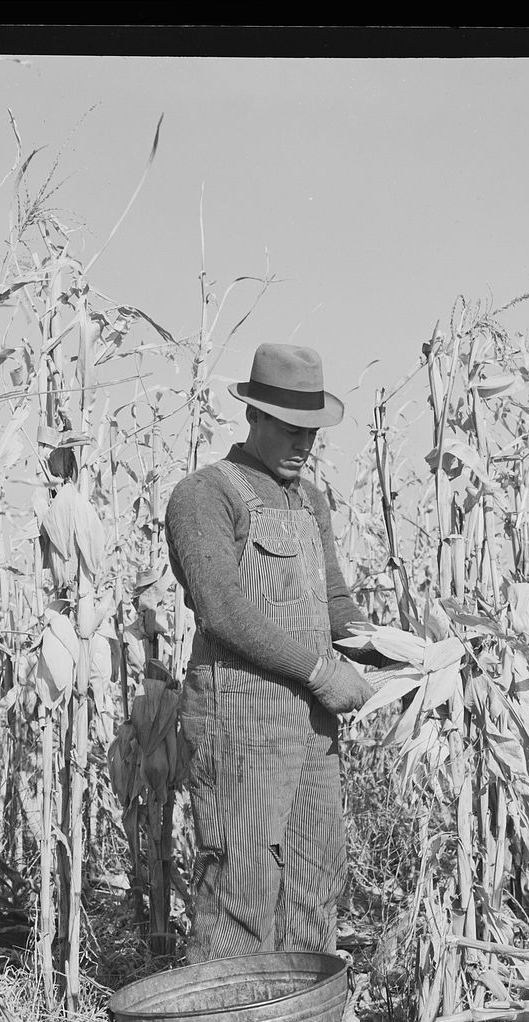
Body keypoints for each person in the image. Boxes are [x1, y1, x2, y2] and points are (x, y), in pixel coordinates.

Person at [165, 342, 379, 964]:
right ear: (253, 417)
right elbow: (224, 611)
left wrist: (391, 653)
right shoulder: (206, 494)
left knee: (316, 879)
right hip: (241, 723)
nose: (303, 443)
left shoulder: (310, 499)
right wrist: (318, 670)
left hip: (311, 724)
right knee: (242, 887)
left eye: (312, 431)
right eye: (290, 429)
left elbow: (334, 600)